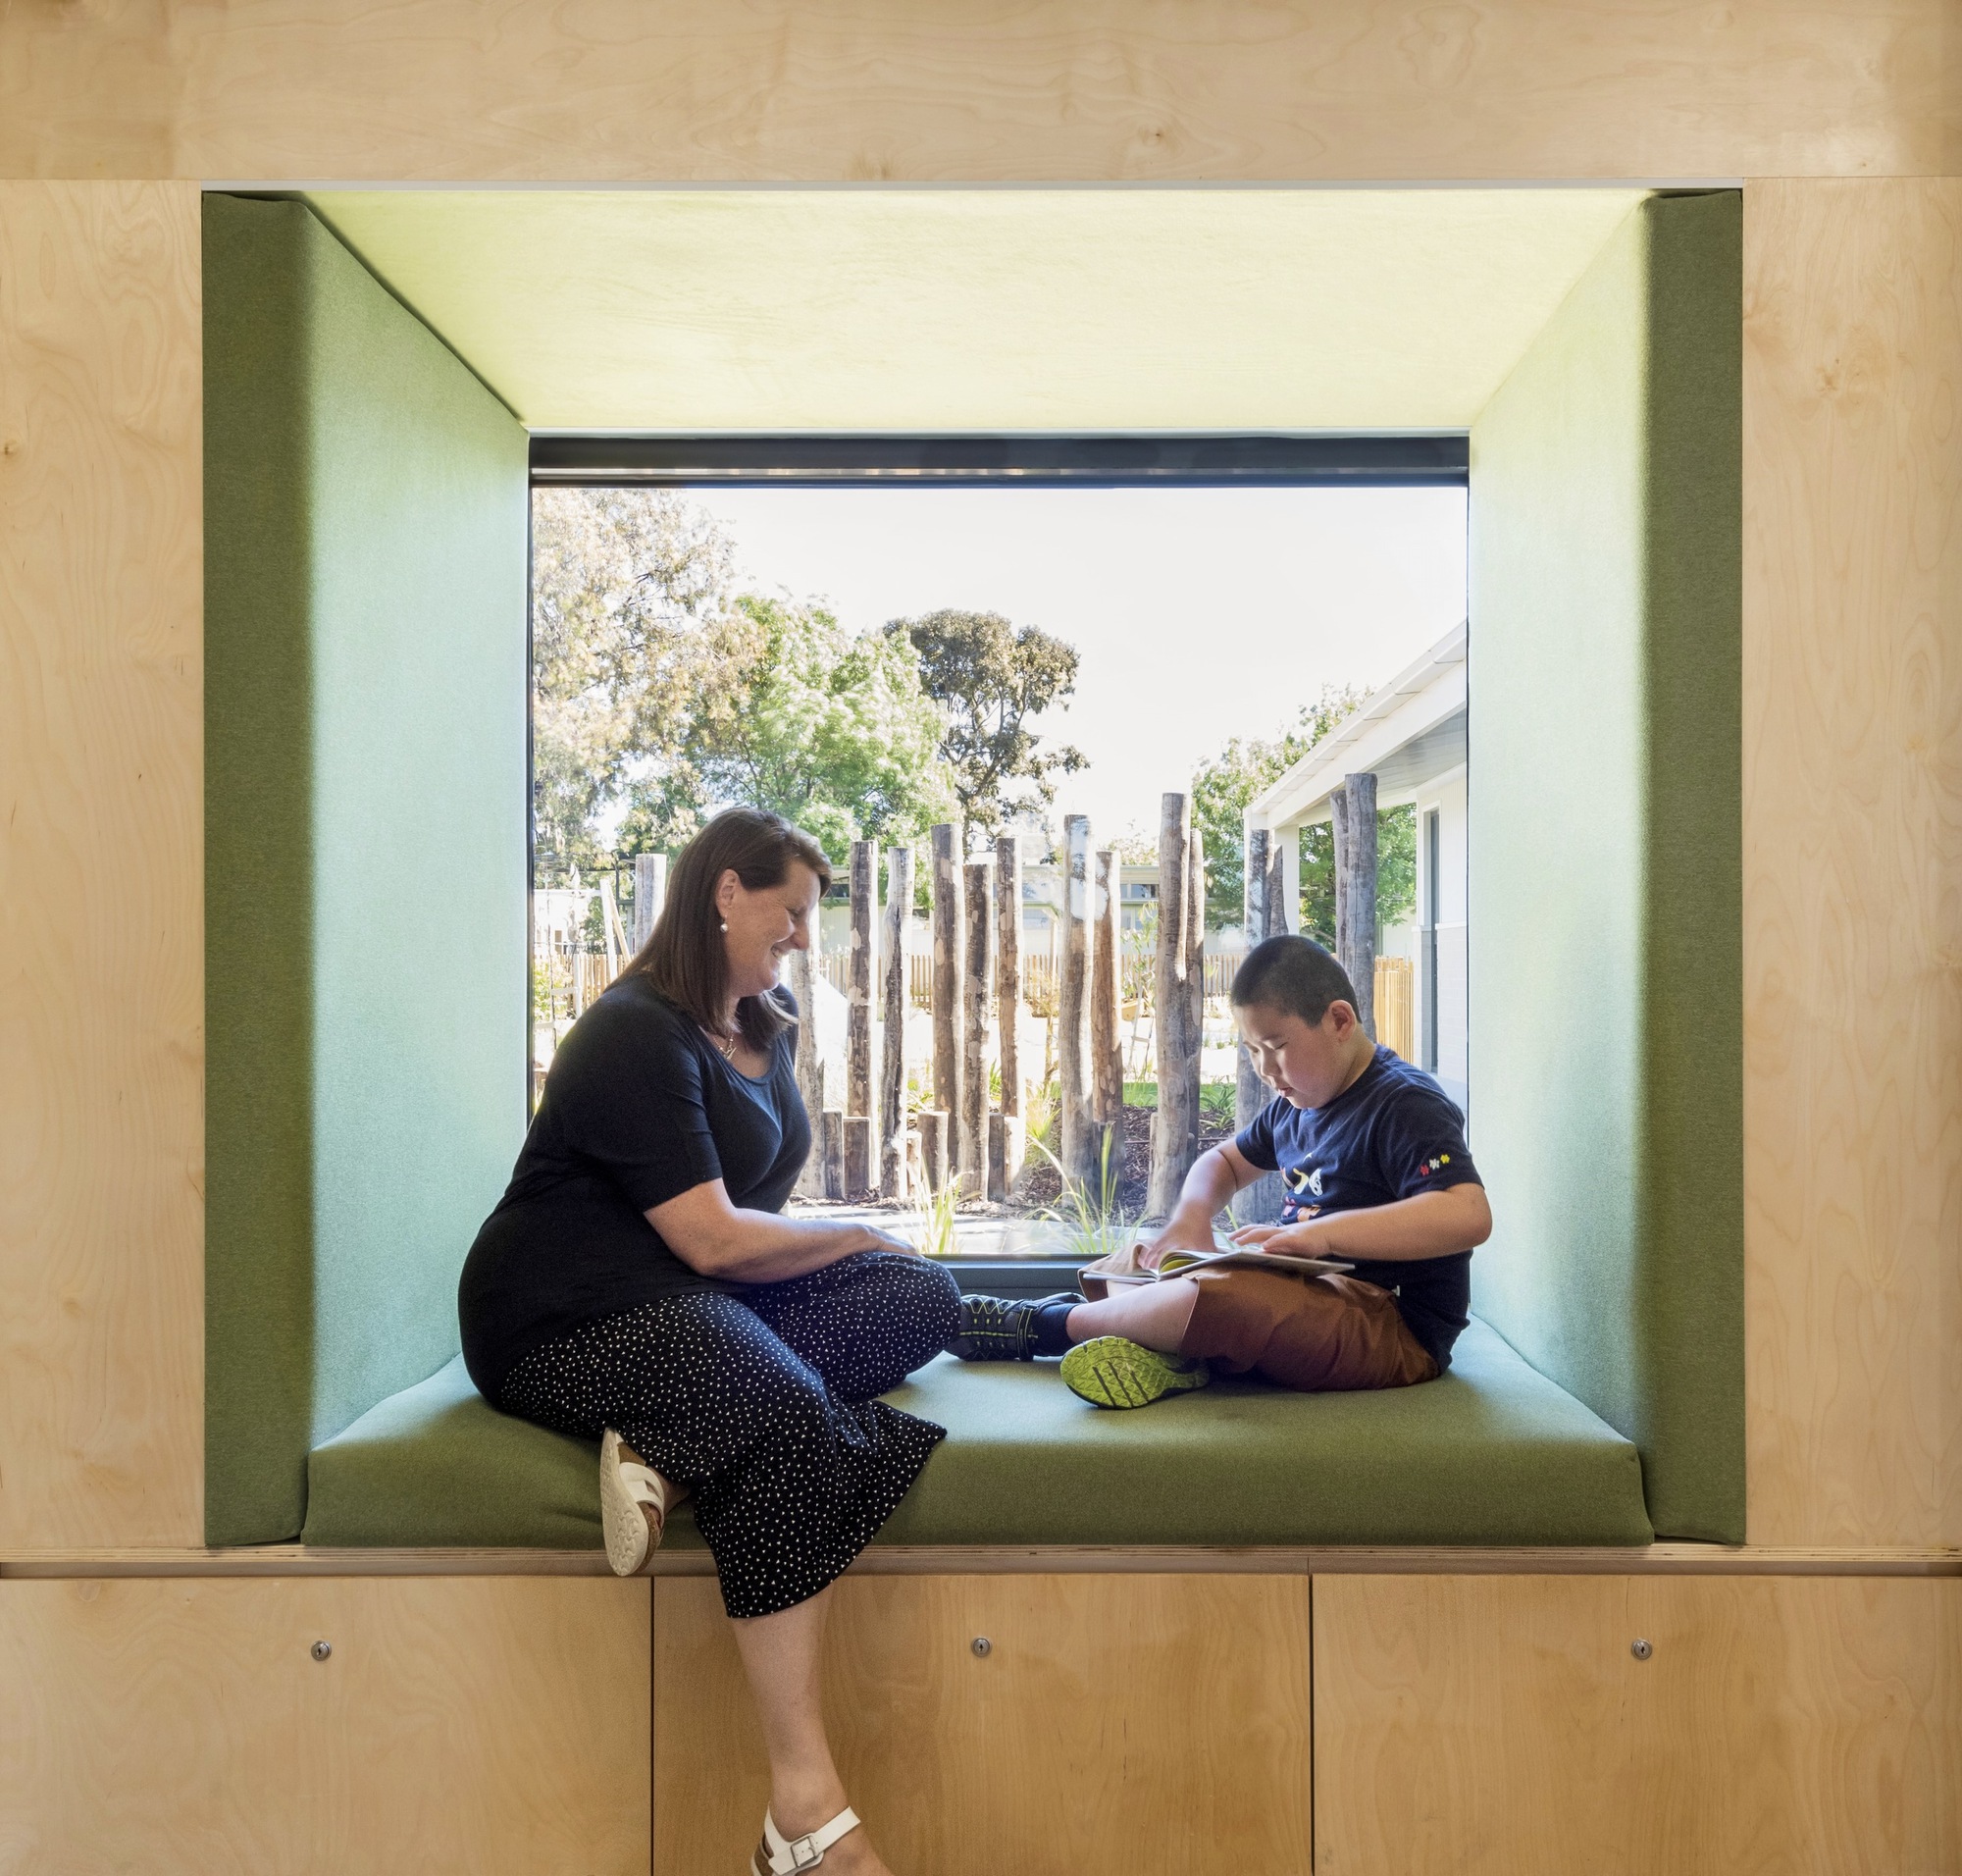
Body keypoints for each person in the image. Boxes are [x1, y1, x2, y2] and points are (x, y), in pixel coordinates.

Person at [459, 807, 957, 1876]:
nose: (802, 940)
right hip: (564, 1315)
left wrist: (870, 1256)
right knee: (779, 1411)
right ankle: (805, 1810)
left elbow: (749, 1233)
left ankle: (666, 1454)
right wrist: (854, 1232)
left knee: (918, 1297)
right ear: (724, 891)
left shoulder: (761, 1031)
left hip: (691, 1306)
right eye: (790, 913)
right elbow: (714, 1237)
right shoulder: (633, 1029)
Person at [952, 932, 1490, 1409]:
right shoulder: (1296, 1104)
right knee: (1138, 1261)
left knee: (1227, 1299)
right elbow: (1223, 1161)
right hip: (1311, 1296)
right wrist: (1191, 1219)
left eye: (1277, 1047)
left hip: (1390, 1325)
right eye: (1252, 1050)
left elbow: (1466, 1213)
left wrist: (1315, 1237)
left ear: (1339, 1020)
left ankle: (1040, 1326)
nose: (1265, 1070)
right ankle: (1177, 1357)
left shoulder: (1405, 1103)